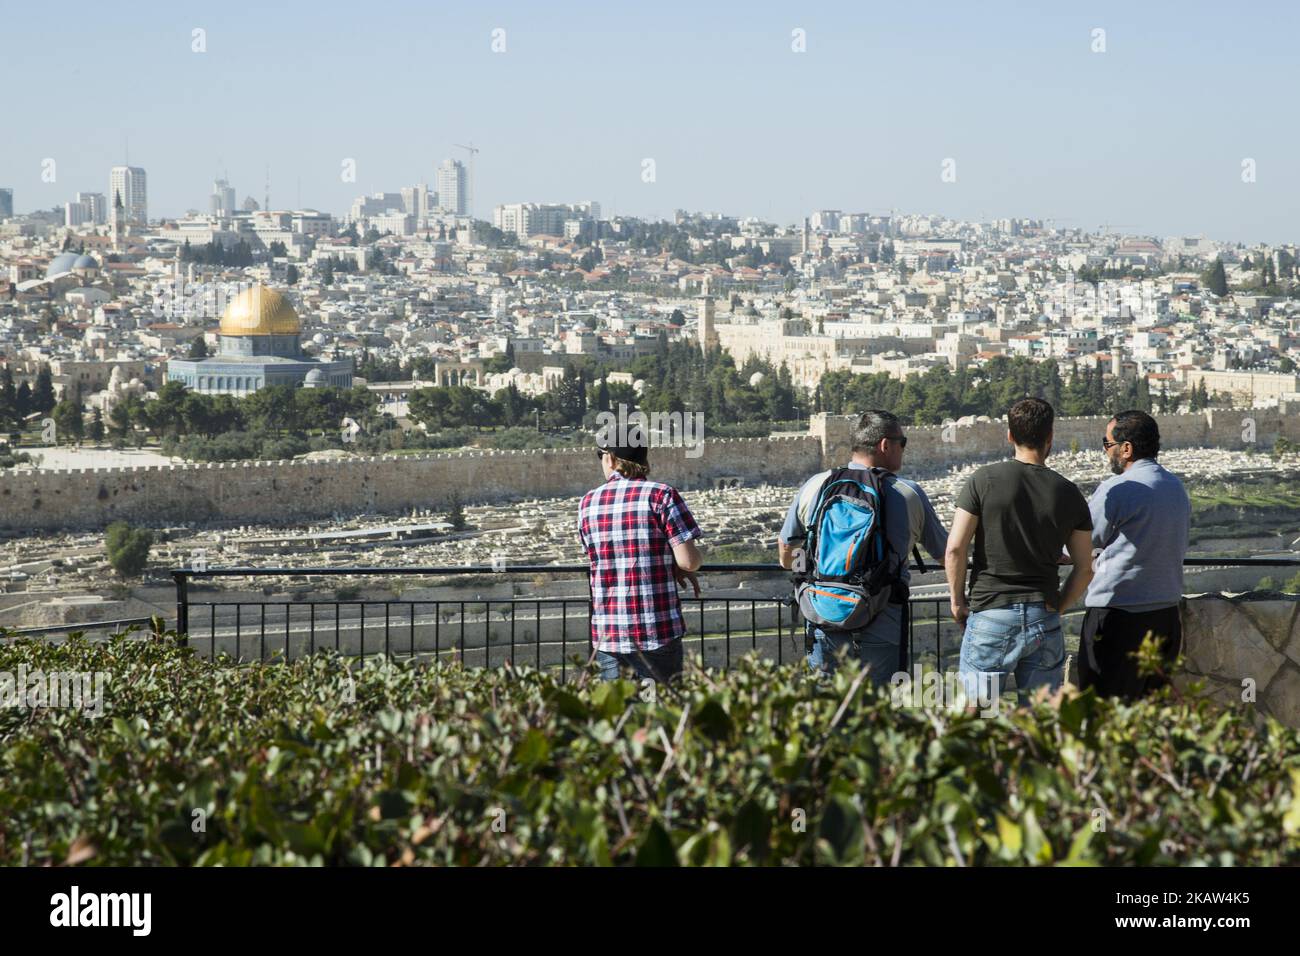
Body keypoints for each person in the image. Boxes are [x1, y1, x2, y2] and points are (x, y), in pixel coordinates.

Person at [777, 410, 948, 686]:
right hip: (883, 622)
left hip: (823, 615)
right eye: (902, 442)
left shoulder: (815, 485)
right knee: (878, 712)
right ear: (885, 445)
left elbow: (787, 551)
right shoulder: (908, 493)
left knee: (826, 710)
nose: (903, 449)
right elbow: (946, 555)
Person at [946, 398, 1094, 701]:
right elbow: (1085, 567)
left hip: (991, 611)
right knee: (1040, 724)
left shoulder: (982, 480)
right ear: (1050, 436)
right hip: (1043, 614)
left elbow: (955, 549)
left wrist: (957, 601)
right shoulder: (1068, 492)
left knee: (979, 719)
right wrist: (1059, 606)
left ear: (1010, 435)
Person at [1077, 410, 1190, 699]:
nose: (1105, 452)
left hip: (1119, 617)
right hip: (1166, 617)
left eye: (1107, 444)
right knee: (1149, 713)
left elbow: (1084, 543)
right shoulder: (1176, 487)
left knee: (1102, 710)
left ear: (1126, 448)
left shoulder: (1117, 489)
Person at [578, 434, 703, 683]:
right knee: (658, 709)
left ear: (611, 459)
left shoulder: (588, 502)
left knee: (618, 712)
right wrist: (678, 564)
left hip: (609, 631)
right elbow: (689, 561)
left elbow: (598, 557)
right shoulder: (662, 495)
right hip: (656, 627)